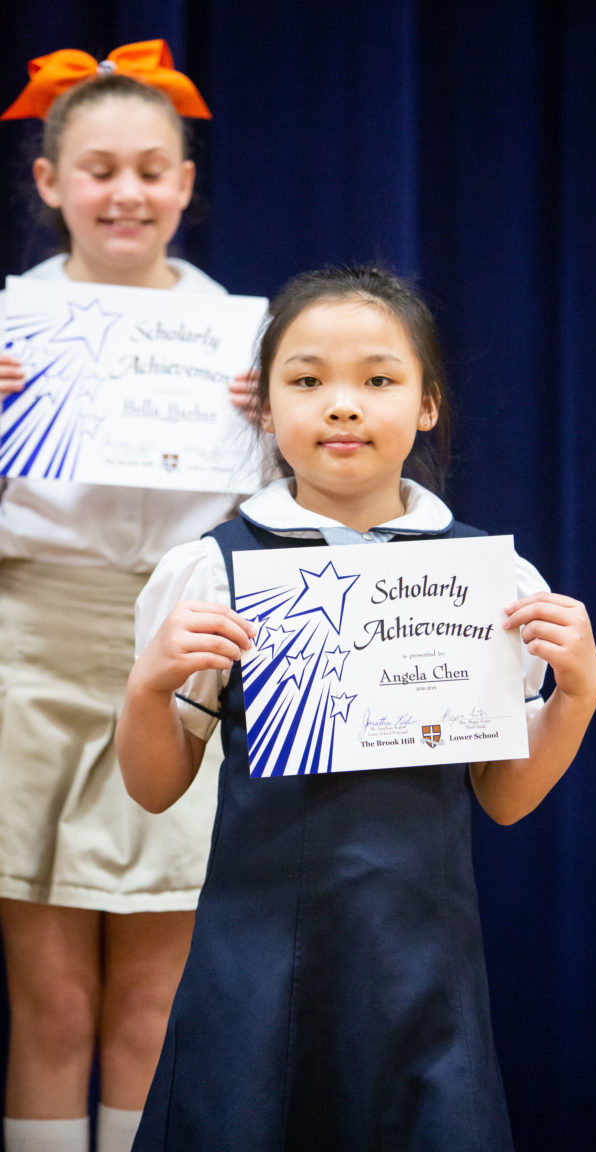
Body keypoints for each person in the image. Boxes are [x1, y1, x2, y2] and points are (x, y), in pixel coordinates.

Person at [116, 265, 596, 1151]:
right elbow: (153, 789)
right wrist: (149, 685)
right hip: (253, 961)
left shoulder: (486, 580)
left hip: (422, 968)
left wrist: (577, 695)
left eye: (378, 380)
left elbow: (504, 796)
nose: (342, 406)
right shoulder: (212, 569)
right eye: (307, 381)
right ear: (263, 406)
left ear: (427, 405)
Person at [0, 42, 253, 1152]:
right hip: (25, 648)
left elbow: (313, 494)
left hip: (179, 645)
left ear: (185, 187)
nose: (127, 192)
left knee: (154, 1006)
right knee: (51, 1007)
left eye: (152, 169)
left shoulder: (242, 338)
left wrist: (275, 410)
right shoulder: (11, 322)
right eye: (98, 169)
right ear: (50, 183)